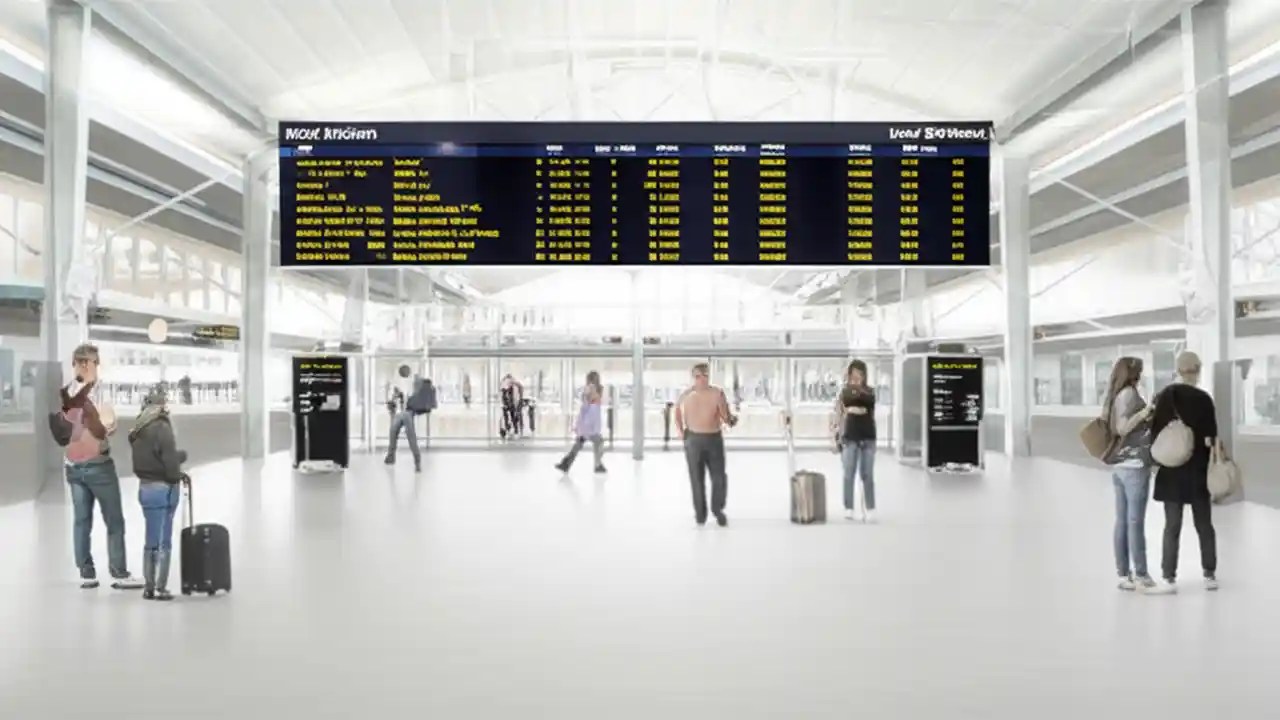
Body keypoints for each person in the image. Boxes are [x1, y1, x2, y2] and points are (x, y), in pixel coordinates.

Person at [48, 344, 143, 590]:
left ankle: (86, 573)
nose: (97, 368)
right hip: (98, 466)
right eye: (95, 363)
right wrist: (105, 424)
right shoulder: (98, 392)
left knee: (81, 521)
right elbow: (108, 426)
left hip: (73, 466)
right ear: (87, 364)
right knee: (114, 520)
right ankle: (119, 573)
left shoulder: (66, 393)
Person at [1148, 351, 1219, 594]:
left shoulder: (1165, 396)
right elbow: (1211, 439)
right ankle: (1209, 574)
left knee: (1172, 526)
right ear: (1198, 370)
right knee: (1204, 524)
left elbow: (1155, 433)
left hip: (1171, 469)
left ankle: (1168, 576)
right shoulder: (1204, 399)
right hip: (1198, 470)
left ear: (1178, 370)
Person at [1100, 357, 1157, 592]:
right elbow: (1123, 427)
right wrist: (1146, 412)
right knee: (1135, 521)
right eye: (1139, 371)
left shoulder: (1115, 396)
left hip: (1120, 466)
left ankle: (1124, 574)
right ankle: (1141, 574)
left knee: (1123, 521)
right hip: (1134, 465)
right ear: (1133, 373)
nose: (1141, 375)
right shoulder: (1129, 394)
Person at [129, 386, 188, 601]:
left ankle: (149, 586)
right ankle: (160, 587)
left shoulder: (138, 427)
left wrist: (174, 457)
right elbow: (169, 461)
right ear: (161, 406)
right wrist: (178, 467)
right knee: (164, 541)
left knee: (151, 539)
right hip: (163, 488)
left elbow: (149, 457)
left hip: (145, 487)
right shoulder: (162, 427)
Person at [674, 363, 737, 527]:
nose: (702, 379)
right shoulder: (686, 395)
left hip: (713, 438)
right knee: (697, 478)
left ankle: (717, 509)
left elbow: (725, 415)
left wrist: (730, 419)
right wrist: (681, 432)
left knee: (718, 476)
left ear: (709, 376)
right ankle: (700, 514)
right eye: (698, 376)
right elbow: (677, 412)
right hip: (693, 440)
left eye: (705, 376)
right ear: (693, 378)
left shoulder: (717, 393)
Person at [832, 359, 877, 523]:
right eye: (854, 373)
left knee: (867, 474)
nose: (857, 376)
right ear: (850, 374)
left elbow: (866, 403)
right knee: (848, 473)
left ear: (864, 375)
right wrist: (836, 435)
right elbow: (842, 409)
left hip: (868, 437)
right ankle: (849, 507)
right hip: (850, 437)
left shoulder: (870, 392)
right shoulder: (844, 392)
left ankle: (870, 508)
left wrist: (853, 407)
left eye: (860, 373)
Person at [556, 371, 606, 474]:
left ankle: (566, 464)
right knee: (597, 443)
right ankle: (597, 465)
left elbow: (588, 410)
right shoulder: (594, 391)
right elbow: (590, 412)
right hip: (589, 427)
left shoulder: (591, 391)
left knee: (581, 444)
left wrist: (582, 426)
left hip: (587, 426)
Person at [387, 375, 434, 472]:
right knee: (394, 434)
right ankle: (391, 457)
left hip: (406, 414)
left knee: (409, 437)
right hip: (401, 414)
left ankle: (416, 461)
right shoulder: (405, 389)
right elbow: (396, 403)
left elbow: (409, 403)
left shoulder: (414, 391)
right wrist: (395, 398)